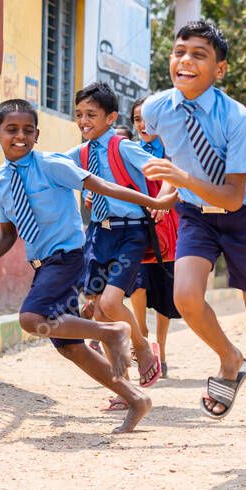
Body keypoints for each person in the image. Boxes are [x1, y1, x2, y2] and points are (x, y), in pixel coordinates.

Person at [141, 19, 246, 463]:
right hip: (195, 216)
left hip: (244, 217)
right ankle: (231, 361)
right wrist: (169, 194)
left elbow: (230, 196)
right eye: (180, 51)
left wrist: (181, 178)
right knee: (186, 297)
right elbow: (174, 153)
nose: (185, 60)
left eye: (199, 54)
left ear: (220, 70)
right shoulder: (156, 109)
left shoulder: (235, 117)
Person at [0, 99, 173, 433]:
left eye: (28, 130)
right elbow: (8, 234)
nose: (20, 136)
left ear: (37, 134)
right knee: (69, 346)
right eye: (11, 130)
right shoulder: (0, 181)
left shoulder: (51, 165)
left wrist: (154, 202)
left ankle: (113, 330)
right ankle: (136, 399)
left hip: (67, 257)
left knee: (31, 318)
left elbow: (102, 186)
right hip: (43, 263)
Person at [66, 83, 164, 390]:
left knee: (110, 302)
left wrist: (163, 201)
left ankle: (143, 345)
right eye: (79, 114)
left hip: (129, 234)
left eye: (91, 114)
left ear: (111, 118)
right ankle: (122, 385)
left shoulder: (123, 147)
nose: (83, 121)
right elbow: (51, 165)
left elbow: (163, 171)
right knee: (97, 308)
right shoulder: (79, 153)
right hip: (98, 235)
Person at [129, 95, 181, 380]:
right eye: (137, 119)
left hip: (169, 230)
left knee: (164, 293)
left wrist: (164, 202)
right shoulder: (128, 151)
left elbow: (181, 186)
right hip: (138, 228)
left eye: (148, 119)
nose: (143, 125)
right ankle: (142, 336)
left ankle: (160, 347)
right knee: (137, 282)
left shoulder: (173, 152)